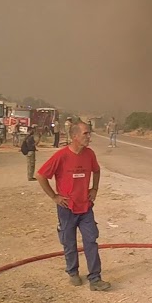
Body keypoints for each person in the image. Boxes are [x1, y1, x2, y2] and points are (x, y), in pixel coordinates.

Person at [36, 121, 111, 291]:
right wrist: (54, 196)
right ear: (75, 136)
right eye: (86, 134)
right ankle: (73, 272)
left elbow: (96, 170)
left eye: (89, 133)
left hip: (85, 207)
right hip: (67, 209)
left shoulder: (90, 154)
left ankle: (95, 279)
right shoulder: (61, 156)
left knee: (91, 241)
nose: (89, 137)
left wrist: (95, 188)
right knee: (69, 243)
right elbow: (41, 175)